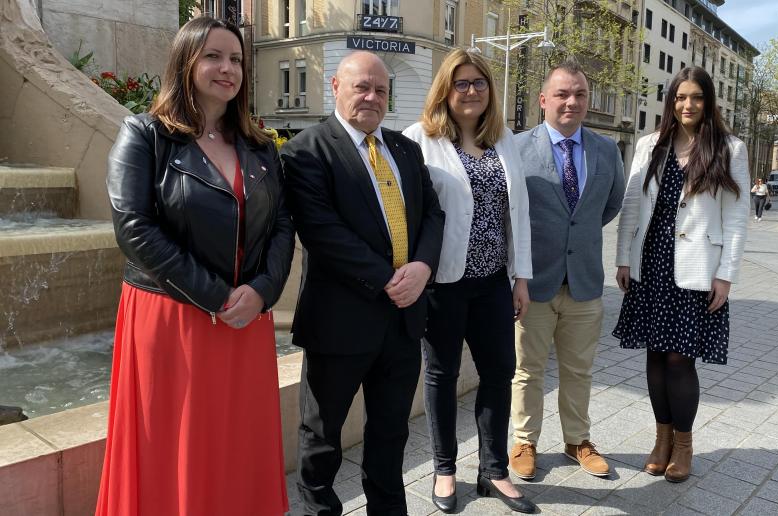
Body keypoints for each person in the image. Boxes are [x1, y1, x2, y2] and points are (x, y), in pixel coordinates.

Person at [97, 17, 294, 515]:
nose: (227, 68)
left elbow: (283, 225)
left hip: (246, 318)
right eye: (213, 56)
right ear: (185, 62)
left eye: (235, 59)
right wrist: (216, 295)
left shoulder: (261, 146)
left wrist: (263, 291)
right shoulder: (144, 135)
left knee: (236, 444)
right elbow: (133, 229)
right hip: (172, 318)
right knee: (172, 445)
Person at [280, 51, 445, 516]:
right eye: (362, 87)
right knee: (321, 437)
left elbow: (433, 214)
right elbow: (321, 230)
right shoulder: (304, 151)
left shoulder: (406, 149)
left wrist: (423, 269)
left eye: (381, 90)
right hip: (339, 323)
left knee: (391, 435)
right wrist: (390, 278)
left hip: (403, 321)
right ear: (335, 86)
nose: (372, 97)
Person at [402, 49, 535, 514]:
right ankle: (444, 469)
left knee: (498, 372)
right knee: (441, 375)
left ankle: (495, 470)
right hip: (443, 282)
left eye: (480, 82)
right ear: (445, 88)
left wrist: (522, 276)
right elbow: (409, 214)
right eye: (461, 83)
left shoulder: (504, 141)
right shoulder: (419, 139)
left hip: (493, 282)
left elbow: (517, 215)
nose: (472, 90)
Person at [613, 66, 749, 483]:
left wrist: (725, 275)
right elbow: (632, 206)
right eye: (679, 97)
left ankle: (684, 444)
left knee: (679, 358)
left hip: (696, 269)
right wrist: (622, 258)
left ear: (708, 101)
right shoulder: (650, 144)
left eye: (696, 97)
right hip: (650, 262)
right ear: (670, 102)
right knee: (655, 355)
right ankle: (661, 439)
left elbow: (738, 217)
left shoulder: (729, 149)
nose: (687, 105)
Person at [508, 60, 626, 481]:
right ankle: (524, 441)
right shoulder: (516, 149)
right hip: (532, 283)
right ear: (543, 100)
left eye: (579, 94)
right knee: (527, 370)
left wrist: (575, 237)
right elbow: (510, 213)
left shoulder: (606, 150)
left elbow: (608, 206)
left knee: (580, 369)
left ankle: (578, 440)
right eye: (562, 94)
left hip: (584, 284)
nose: (571, 101)